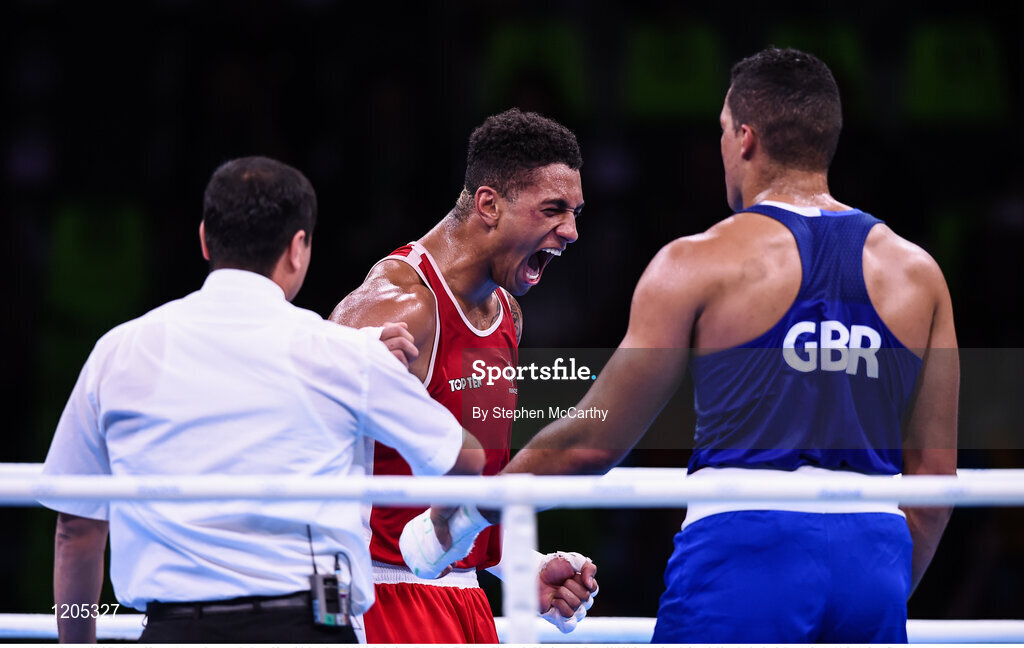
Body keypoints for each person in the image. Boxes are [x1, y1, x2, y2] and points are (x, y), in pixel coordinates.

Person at [427, 48, 959, 642]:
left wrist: (469, 512)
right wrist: (871, 582)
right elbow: (934, 480)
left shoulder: (698, 262)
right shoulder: (920, 275)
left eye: (723, 133)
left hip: (744, 556)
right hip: (874, 563)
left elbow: (589, 444)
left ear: (746, 138)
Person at [39, 156, 485, 644]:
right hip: (304, 626)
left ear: (206, 238)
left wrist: (75, 646)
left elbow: (76, 531)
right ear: (298, 249)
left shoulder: (118, 351)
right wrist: (436, 534)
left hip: (172, 629)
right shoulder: (345, 353)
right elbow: (465, 459)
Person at [330, 108, 598, 643]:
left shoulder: (506, 313)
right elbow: (293, 443)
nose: (570, 231)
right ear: (489, 205)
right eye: (553, 209)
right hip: (379, 597)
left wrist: (519, 567)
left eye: (574, 212)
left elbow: (468, 490)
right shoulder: (399, 306)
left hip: (467, 599)